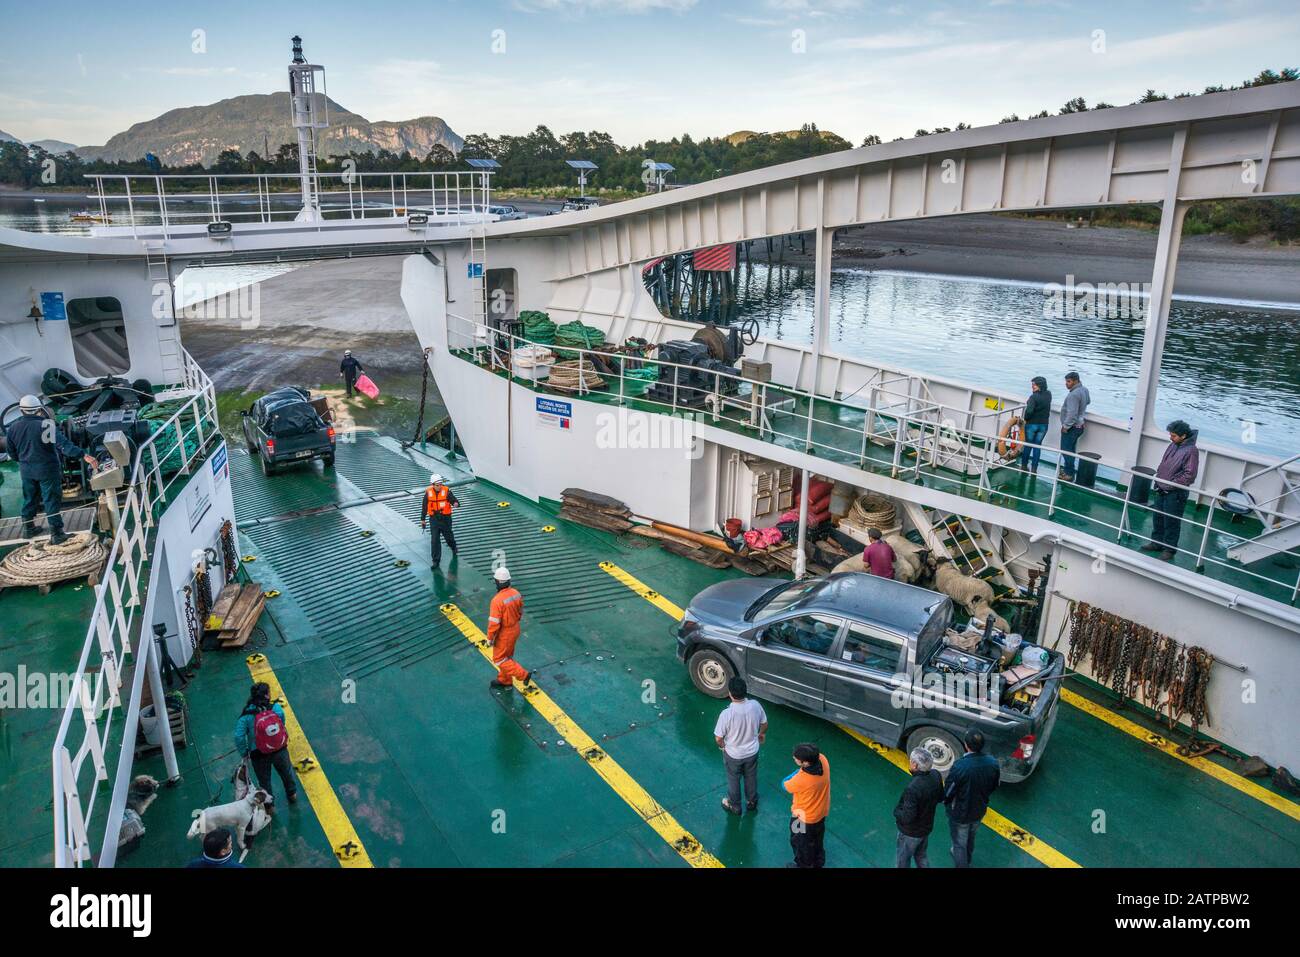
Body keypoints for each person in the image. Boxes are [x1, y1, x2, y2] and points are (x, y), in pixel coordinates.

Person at [3, 394, 98, 544]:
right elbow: (63, 446)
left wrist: (25, 462)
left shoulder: (14, 428)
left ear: (22, 410)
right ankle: (57, 533)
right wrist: (84, 455)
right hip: (47, 470)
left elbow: (12, 452)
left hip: (27, 471)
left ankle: (28, 529)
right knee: (51, 500)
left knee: (30, 498)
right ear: (39, 410)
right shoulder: (46, 425)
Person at [1142, 420, 1200, 562]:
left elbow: (1189, 475)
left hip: (1175, 494)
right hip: (1162, 488)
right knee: (1158, 518)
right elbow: (1164, 464)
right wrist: (1159, 481)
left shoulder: (1191, 451)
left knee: (1171, 522)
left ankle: (1169, 549)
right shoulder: (1173, 445)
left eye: (1173, 435)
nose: (1171, 437)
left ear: (1183, 436)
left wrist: (1170, 484)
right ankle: (1156, 543)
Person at [234, 682, 298, 807]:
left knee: (265, 782)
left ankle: (269, 807)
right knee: (286, 773)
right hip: (279, 748)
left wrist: (245, 751)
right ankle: (292, 795)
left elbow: (239, 736)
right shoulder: (276, 708)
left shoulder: (246, 715)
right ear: (267, 695)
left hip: (258, 754)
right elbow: (281, 721)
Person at [944, 729, 1000, 868]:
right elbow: (994, 785)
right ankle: (967, 859)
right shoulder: (992, 763)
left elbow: (948, 792)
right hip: (979, 810)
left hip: (961, 814)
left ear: (966, 745)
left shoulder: (960, 766)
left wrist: (946, 802)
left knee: (959, 844)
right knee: (970, 837)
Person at [714, 677, 768, 815]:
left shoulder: (726, 714)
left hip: (733, 754)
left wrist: (723, 746)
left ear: (730, 693)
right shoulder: (755, 705)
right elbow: (764, 723)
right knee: (751, 776)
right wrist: (761, 734)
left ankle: (735, 805)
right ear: (746, 691)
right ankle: (751, 801)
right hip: (752, 752)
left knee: (733, 779)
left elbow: (719, 738)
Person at [893, 747, 944, 868]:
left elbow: (907, 817)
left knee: (902, 859)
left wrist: (896, 812)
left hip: (910, 832)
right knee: (921, 855)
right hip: (925, 828)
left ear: (915, 765)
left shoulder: (913, 788)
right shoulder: (935, 775)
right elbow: (941, 797)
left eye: (910, 761)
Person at [782, 743, 830, 868]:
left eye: (796, 758)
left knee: (799, 843)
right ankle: (819, 862)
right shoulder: (823, 760)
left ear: (806, 763)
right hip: (820, 811)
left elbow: (785, 784)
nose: (794, 758)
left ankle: (803, 865)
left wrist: (798, 772)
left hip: (802, 817)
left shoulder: (802, 780)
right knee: (817, 840)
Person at [487, 566, 533, 690]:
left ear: (497, 582)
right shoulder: (516, 594)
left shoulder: (497, 601)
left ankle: (523, 675)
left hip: (505, 633)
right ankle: (505, 680)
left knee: (499, 659)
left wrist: (490, 638)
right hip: (515, 628)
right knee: (507, 657)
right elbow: (520, 611)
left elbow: (494, 623)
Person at [420, 473, 459, 567]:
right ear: (432, 484)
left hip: (445, 519)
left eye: (441, 484)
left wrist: (455, 503)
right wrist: (423, 519)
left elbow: (453, 500)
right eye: (437, 485)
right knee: (435, 540)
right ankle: (435, 561)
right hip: (434, 519)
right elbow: (425, 506)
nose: (439, 486)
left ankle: (453, 547)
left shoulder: (446, 491)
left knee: (448, 537)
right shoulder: (428, 493)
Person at [1057, 372, 1090, 481]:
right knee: (1071, 449)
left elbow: (1072, 413)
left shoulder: (1073, 394)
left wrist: (1065, 426)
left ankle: (1069, 473)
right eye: (1066, 381)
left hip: (1072, 427)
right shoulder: (1084, 390)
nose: (1066, 384)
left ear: (1075, 381)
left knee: (1065, 450)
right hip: (1080, 425)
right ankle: (1068, 470)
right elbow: (1088, 401)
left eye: (1069, 381)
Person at [1019, 376, 1052, 473]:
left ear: (1039, 385)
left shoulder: (1033, 397)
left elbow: (1029, 411)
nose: (1032, 386)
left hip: (1032, 425)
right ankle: (1034, 469)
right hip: (1043, 425)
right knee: (1037, 447)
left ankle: (1024, 466)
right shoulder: (1048, 394)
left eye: (1034, 384)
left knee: (1028, 445)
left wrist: (1025, 419)